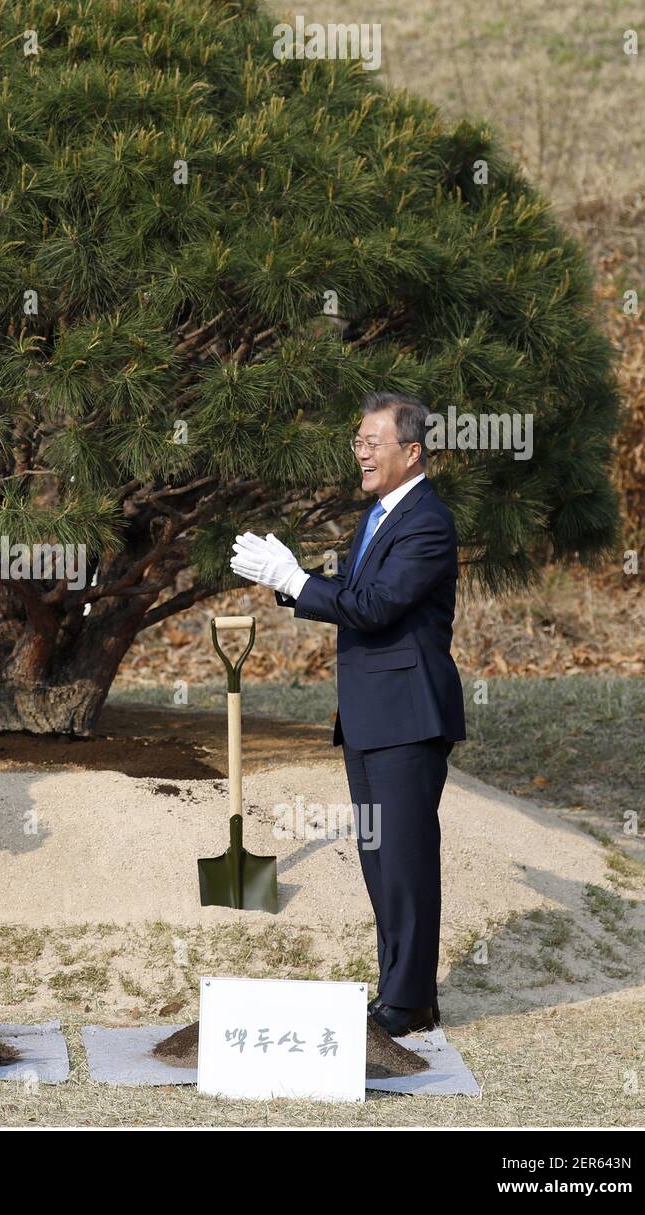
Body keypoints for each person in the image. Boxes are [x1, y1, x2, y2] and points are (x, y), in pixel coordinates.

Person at [231, 391, 466, 1037]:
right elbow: (357, 596)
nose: (360, 450)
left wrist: (296, 578)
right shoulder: (378, 515)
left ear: (411, 451)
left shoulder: (426, 520)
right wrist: (292, 578)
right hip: (369, 715)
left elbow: (378, 606)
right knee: (378, 856)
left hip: (409, 715)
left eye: (373, 440)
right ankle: (400, 991)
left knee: (405, 859)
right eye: (357, 439)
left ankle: (410, 1000)